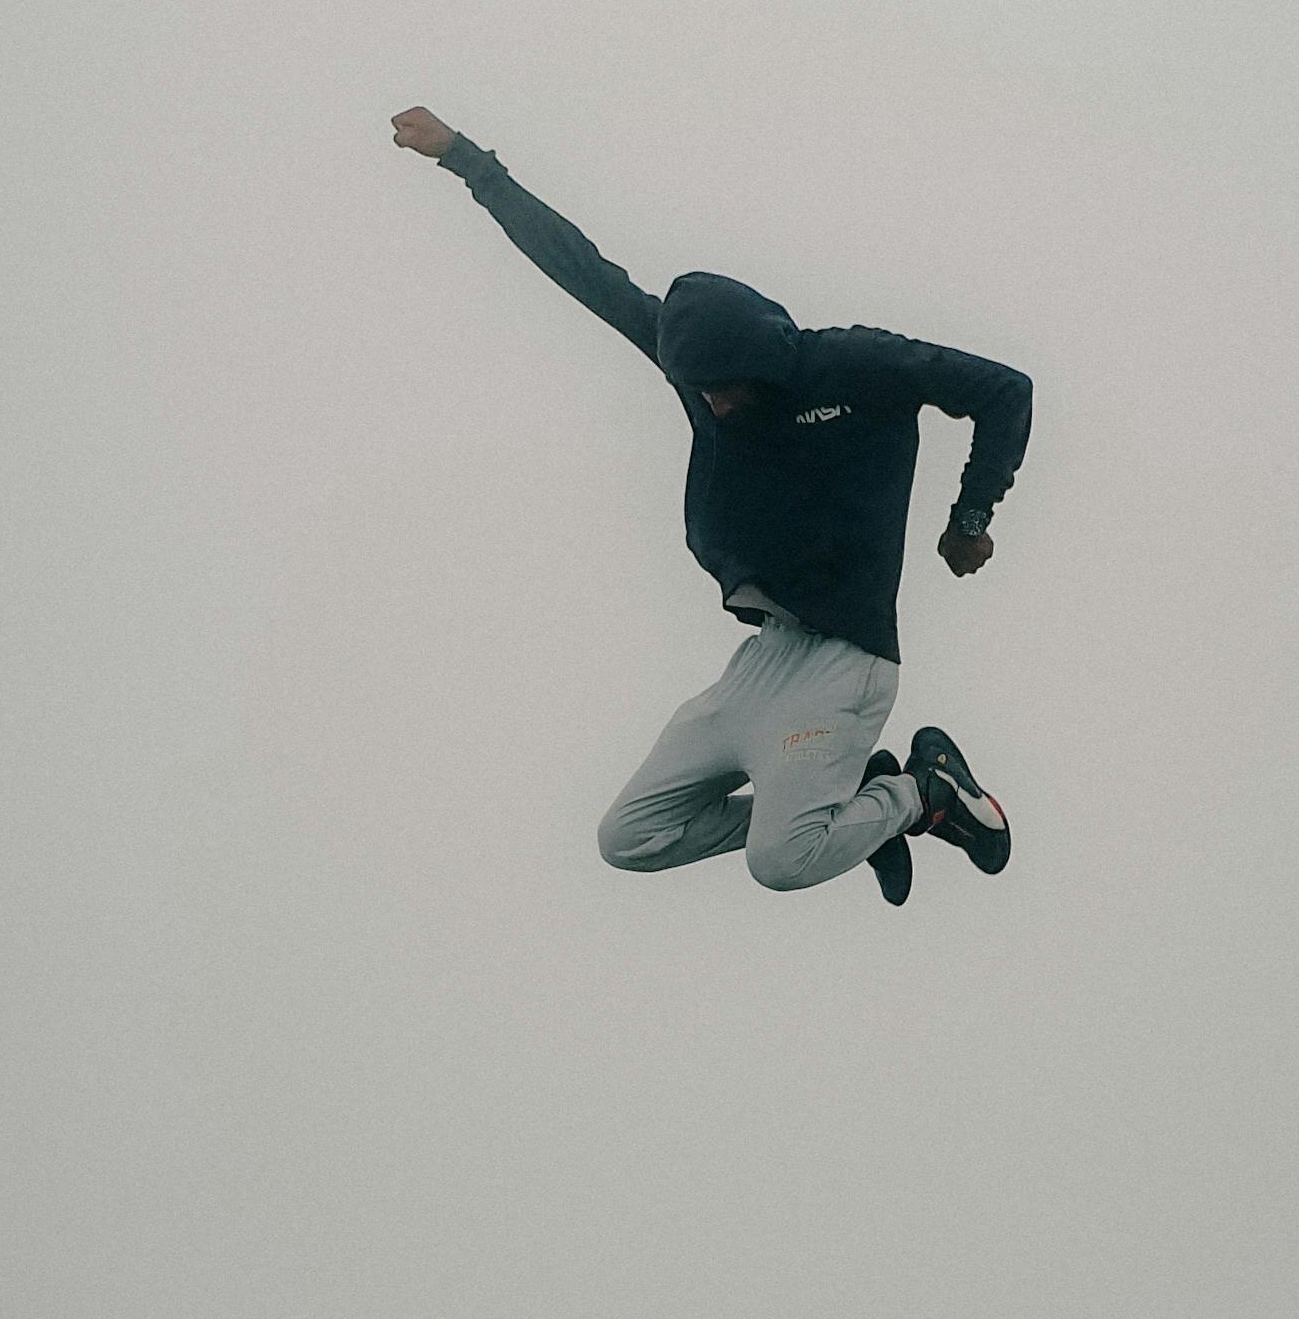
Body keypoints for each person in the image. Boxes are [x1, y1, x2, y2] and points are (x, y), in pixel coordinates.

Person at [391, 105, 1032, 909]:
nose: (715, 405)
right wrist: (465, 161)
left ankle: (919, 798)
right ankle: (849, 806)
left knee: (783, 863)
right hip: (761, 662)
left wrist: (972, 514)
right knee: (629, 839)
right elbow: (583, 270)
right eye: (700, 391)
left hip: (847, 660)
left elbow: (1005, 390)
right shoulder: (693, 368)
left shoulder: (856, 365)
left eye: (726, 388)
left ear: (762, 363)